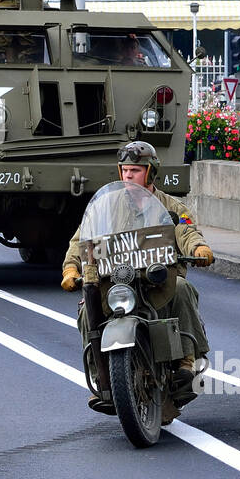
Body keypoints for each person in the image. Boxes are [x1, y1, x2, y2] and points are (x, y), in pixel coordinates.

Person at [60, 141, 215, 414]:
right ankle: (102, 377)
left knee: (181, 288)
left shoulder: (171, 206)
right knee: (87, 307)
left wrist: (198, 248)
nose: (128, 176)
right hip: (116, 281)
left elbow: (187, 231)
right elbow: (81, 238)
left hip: (158, 281)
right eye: (125, 170)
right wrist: (71, 268)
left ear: (150, 172)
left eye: (135, 170)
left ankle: (186, 361)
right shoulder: (105, 206)